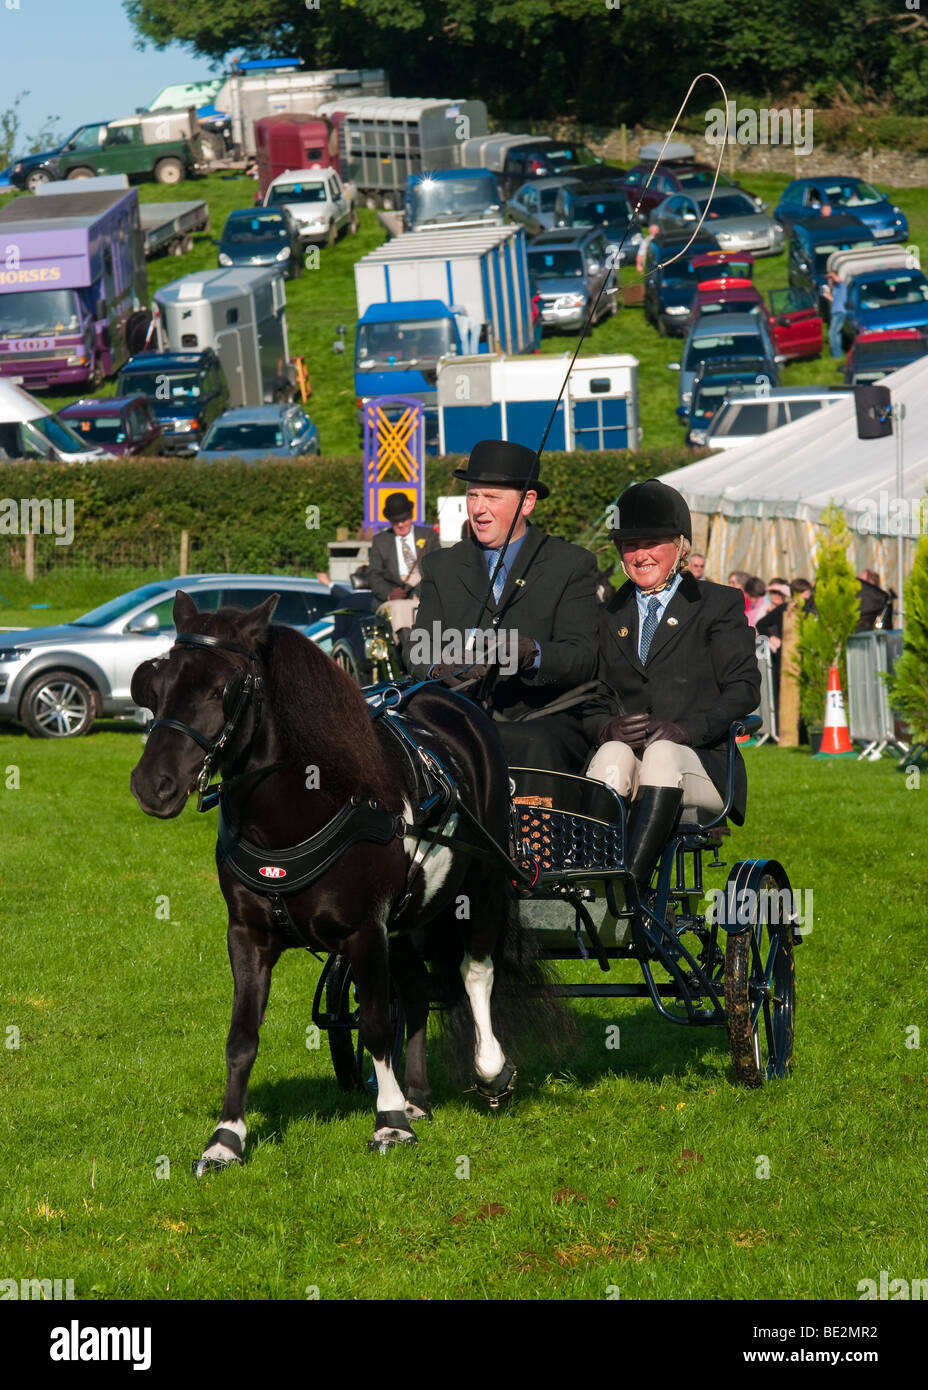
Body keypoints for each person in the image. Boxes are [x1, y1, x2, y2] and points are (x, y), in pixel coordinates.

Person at [586, 479, 760, 897]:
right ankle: (592, 881)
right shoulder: (606, 615)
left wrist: (687, 730)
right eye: (629, 544)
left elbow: (744, 689)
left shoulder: (718, 604)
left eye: (652, 543)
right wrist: (606, 728)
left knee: (663, 753)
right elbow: (590, 693)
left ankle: (631, 884)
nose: (640, 554)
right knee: (610, 752)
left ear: (681, 546)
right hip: (627, 764)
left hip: (700, 764)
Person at [410, 439, 601, 772]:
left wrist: (533, 653)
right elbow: (417, 646)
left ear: (527, 503)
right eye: (472, 496)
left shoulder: (571, 564)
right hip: (461, 719)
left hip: (542, 724)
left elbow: (584, 657)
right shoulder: (441, 566)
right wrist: (438, 667)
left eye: (492, 497)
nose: (478, 509)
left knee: (532, 743)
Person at [368, 492, 441, 662]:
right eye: (396, 521)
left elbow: (438, 568)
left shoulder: (429, 535)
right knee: (398, 609)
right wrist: (389, 593)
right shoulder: (380, 541)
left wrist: (421, 589)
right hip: (395, 599)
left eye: (405, 519)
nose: (401, 524)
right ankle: (411, 657)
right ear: (390, 521)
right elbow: (374, 574)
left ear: (411, 516)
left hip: (425, 590)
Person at [824, 270, 848, 357]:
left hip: (840, 312)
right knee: (835, 333)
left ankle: (837, 354)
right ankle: (837, 353)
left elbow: (837, 279)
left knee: (832, 332)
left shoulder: (842, 285)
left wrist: (830, 275)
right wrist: (827, 291)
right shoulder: (836, 289)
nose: (830, 280)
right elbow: (833, 300)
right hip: (836, 312)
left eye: (831, 278)